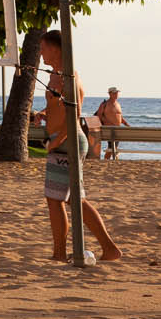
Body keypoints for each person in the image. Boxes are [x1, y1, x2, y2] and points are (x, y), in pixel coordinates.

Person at [31, 28, 122, 263]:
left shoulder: (69, 77)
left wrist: (56, 141)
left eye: (43, 48)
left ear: (55, 49)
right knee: (70, 199)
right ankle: (106, 248)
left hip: (68, 141)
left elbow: (75, 113)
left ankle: (61, 254)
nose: (40, 53)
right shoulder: (55, 75)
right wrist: (43, 114)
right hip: (62, 140)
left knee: (59, 199)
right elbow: (59, 108)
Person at [94, 87, 128, 159]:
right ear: (109, 94)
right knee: (112, 147)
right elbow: (99, 116)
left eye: (117, 93)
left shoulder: (118, 104)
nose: (116, 94)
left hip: (117, 129)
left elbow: (120, 117)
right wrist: (108, 122)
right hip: (109, 129)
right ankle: (112, 159)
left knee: (112, 147)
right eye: (114, 93)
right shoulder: (104, 104)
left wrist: (127, 125)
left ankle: (108, 160)